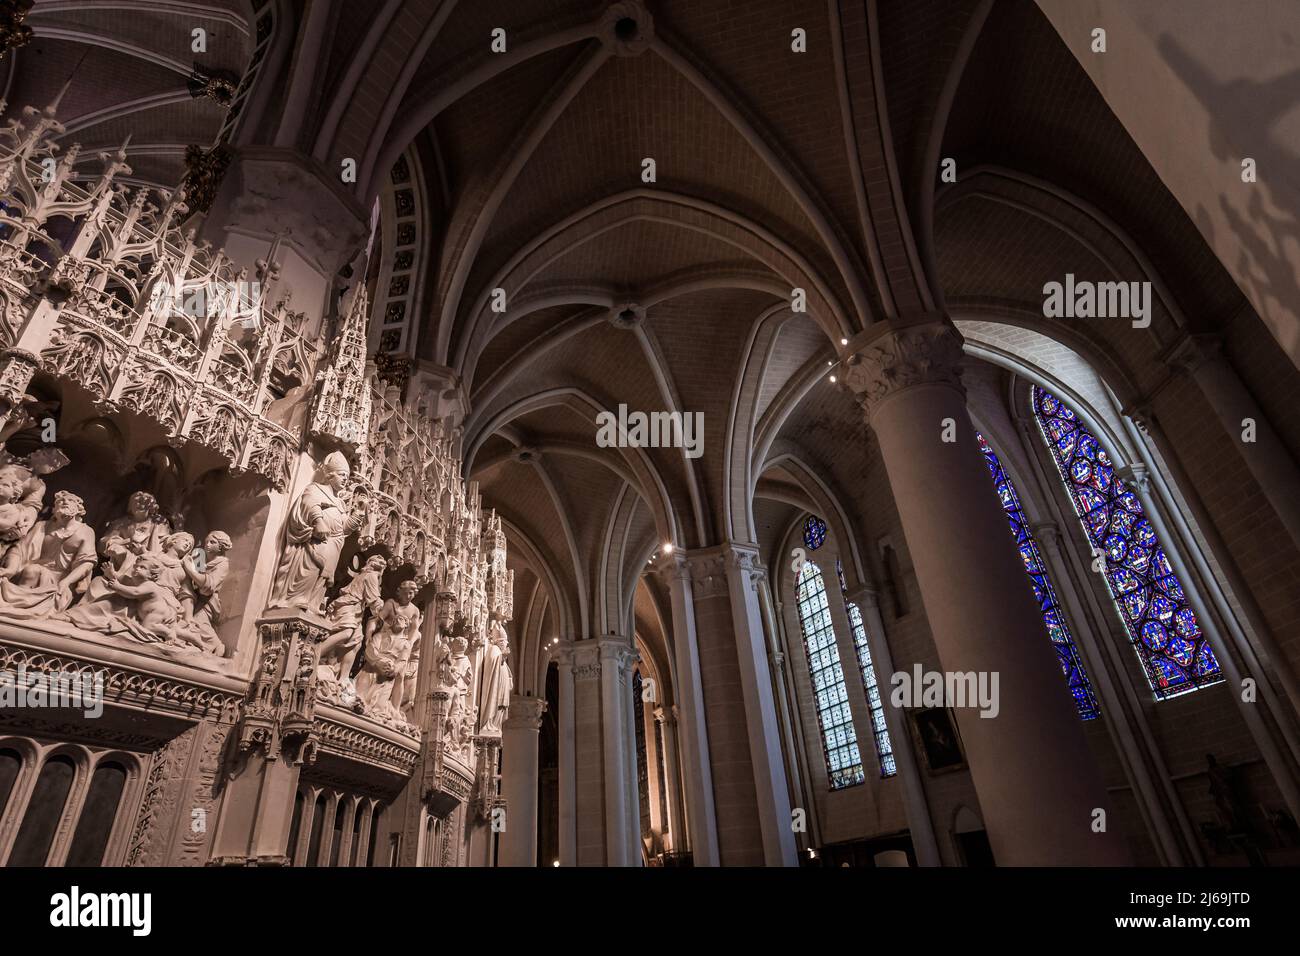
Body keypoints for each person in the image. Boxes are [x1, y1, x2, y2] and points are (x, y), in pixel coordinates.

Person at [266, 452, 364, 614]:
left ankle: (313, 605)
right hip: (315, 545)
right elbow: (309, 503)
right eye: (341, 475)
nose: (345, 479)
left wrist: (358, 513)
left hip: (332, 547)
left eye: (347, 476)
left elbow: (344, 528)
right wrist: (319, 521)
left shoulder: (339, 502)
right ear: (329, 475)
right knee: (307, 575)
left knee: (321, 582)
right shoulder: (315, 488)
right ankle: (294, 601)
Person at [0, 490, 96, 619]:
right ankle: (15, 607)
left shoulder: (85, 531)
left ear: (79, 509)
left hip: (61, 581)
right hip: (31, 572)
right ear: (54, 508)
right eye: (60, 501)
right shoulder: (42, 526)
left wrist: (66, 582)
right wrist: (11, 569)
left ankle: (17, 609)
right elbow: (18, 550)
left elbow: (87, 563)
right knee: (31, 570)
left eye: (70, 500)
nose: (65, 502)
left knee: (33, 570)